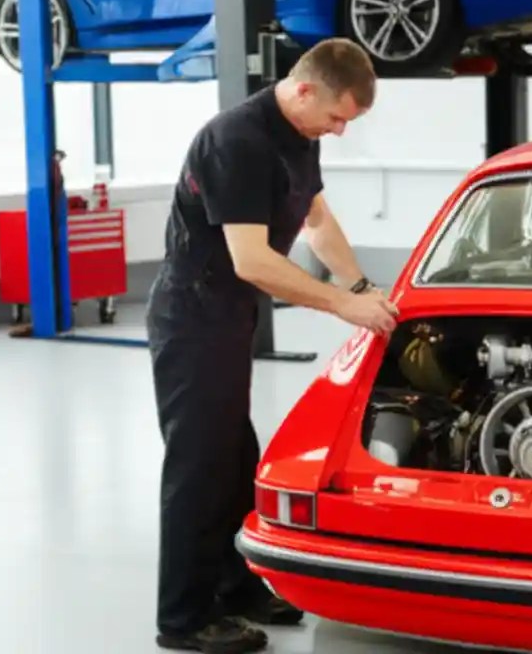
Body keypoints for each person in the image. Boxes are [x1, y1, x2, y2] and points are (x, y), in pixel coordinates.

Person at [146, 37, 398, 653]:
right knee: (199, 467)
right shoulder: (236, 141)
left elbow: (316, 218)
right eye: (338, 117)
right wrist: (343, 306)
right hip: (193, 317)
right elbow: (252, 259)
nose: (338, 131)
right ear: (305, 88)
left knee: (236, 459)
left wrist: (361, 284)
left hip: (228, 318)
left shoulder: (300, 134)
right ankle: (182, 619)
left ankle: (233, 587)